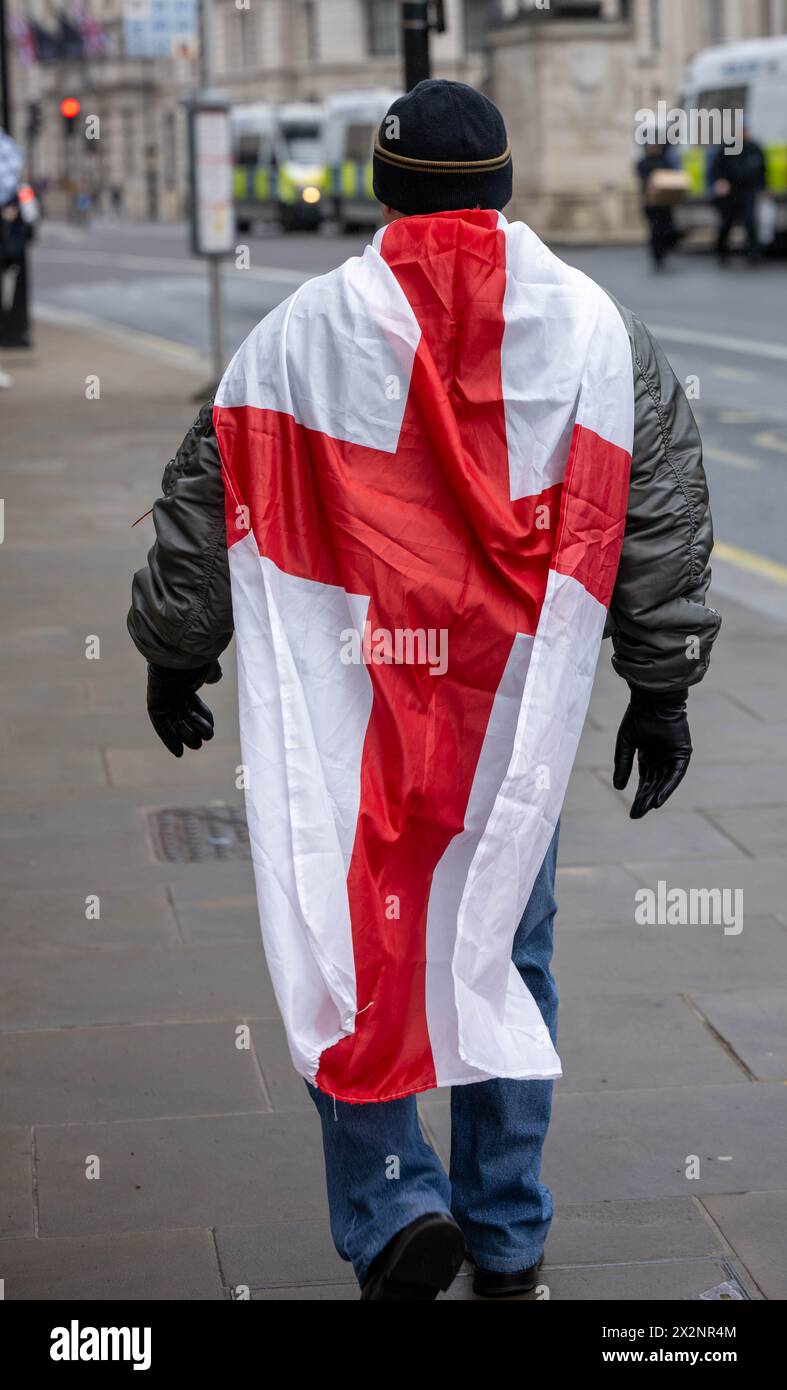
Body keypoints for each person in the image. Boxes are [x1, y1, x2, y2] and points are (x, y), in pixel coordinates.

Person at [128, 81, 720, 1300]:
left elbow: (209, 483)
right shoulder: (597, 329)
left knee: (357, 941)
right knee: (503, 941)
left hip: (356, 715)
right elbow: (655, 508)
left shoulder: (299, 328)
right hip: (510, 720)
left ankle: (395, 1201)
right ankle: (505, 1232)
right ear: (501, 189)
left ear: (387, 191)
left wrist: (176, 650)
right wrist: (659, 688)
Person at [710, 123, 767, 265]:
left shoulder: (754, 148)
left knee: (750, 221)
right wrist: (720, 181)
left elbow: (762, 171)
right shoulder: (727, 148)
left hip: (748, 190)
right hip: (730, 191)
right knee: (727, 223)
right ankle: (721, 253)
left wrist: (763, 188)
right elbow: (716, 168)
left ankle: (754, 254)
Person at [636, 142, 677, 270]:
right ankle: (658, 256)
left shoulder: (664, 160)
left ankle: (663, 253)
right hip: (652, 204)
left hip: (664, 203)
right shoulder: (644, 163)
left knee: (667, 229)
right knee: (656, 230)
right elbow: (645, 180)